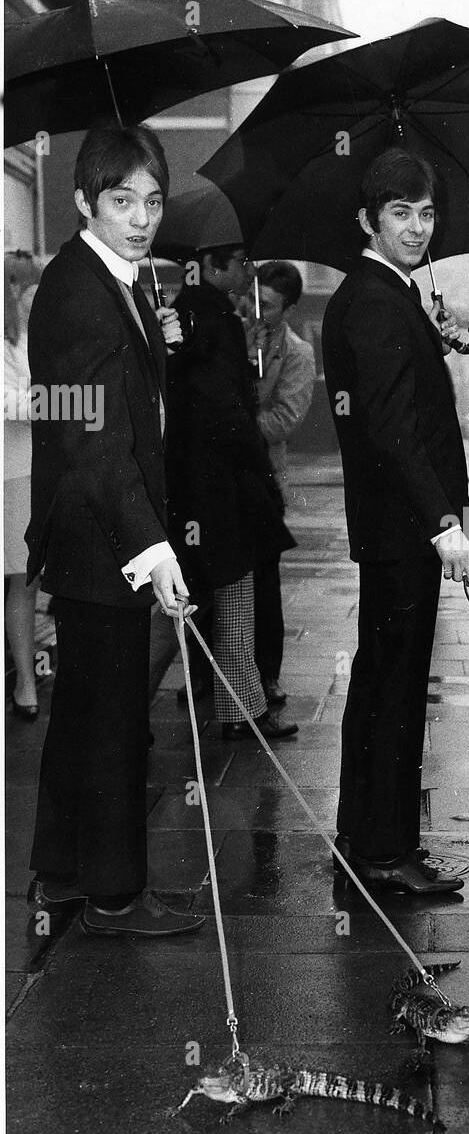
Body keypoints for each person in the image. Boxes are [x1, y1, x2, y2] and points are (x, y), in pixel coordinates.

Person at [25, 124, 203, 936]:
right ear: (82, 201)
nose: (141, 217)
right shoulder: (78, 291)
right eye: (121, 200)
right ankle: (116, 894)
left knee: (83, 717)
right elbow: (96, 442)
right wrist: (153, 547)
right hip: (104, 539)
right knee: (114, 724)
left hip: (94, 538)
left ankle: (60, 875)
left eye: (152, 200)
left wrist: (157, 348)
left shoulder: (119, 280)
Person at [321, 147, 469, 895]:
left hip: (395, 528)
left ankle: (364, 836)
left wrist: (437, 333)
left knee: (381, 681)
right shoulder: (379, 300)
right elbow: (389, 427)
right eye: (400, 214)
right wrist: (441, 520)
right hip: (401, 529)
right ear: (368, 219)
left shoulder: (387, 294)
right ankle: (386, 852)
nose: (418, 228)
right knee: (395, 687)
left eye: (425, 213)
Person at [167, 244, 298, 741]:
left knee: (216, 591)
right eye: (241, 262)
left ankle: (238, 703)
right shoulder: (208, 315)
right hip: (219, 486)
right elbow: (224, 407)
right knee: (233, 590)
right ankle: (243, 710)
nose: (250, 270)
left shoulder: (203, 310)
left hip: (207, 484)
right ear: (214, 266)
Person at [247, 260, 316, 707]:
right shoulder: (234, 334)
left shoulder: (298, 354)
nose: (256, 311)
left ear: (287, 308)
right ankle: (208, 673)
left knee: (264, 583)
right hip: (220, 476)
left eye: (267, 306)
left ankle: (267, 675)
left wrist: (234, 421)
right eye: (253, 299)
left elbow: (285, 418)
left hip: (263, 477)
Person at [5, 254, 43, 719]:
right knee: (22, 580)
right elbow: (13, 404)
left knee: (26, 581)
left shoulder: (29, 338)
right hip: (12, 473)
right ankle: (25, 684)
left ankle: (26, 680)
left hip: (30, 470)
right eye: (20, 285)